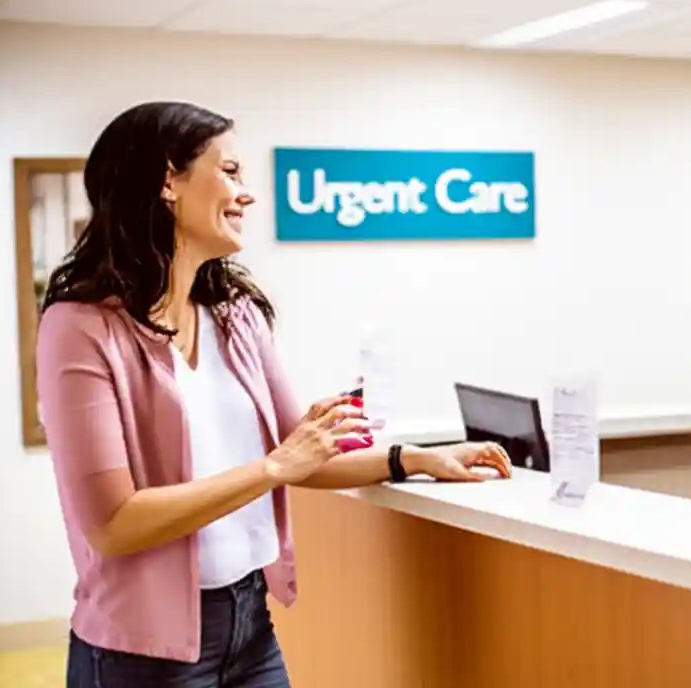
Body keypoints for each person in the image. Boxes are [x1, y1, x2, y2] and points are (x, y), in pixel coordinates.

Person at [36, 101, 514, 687]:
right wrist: (271, 468)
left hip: (249, 623)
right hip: (143, 651)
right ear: (168, 180)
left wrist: (413, 458)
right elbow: (113, 523)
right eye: (231, 171)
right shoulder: (81, 327)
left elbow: (302, 455)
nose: (248, 193)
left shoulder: (235, 317)